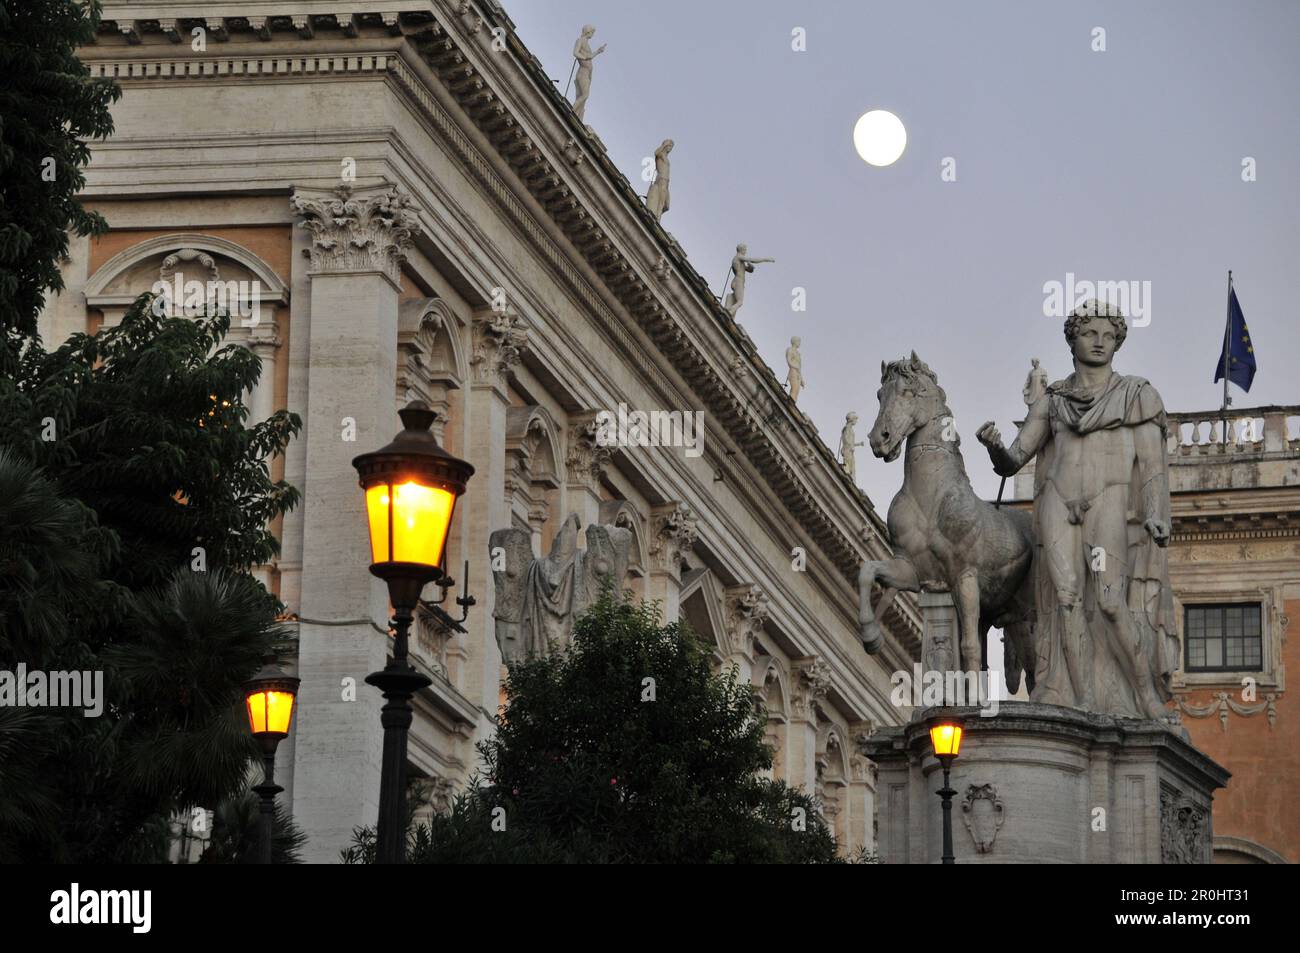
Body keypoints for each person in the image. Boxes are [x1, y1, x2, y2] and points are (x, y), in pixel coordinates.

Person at [976, 301, 1177, 719]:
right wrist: (994, 445)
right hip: (1057, 502)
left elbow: (1154, 469)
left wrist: (1157, 512)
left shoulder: (1136, 395)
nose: (1100, 342)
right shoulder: (1053, 401)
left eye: (1108, 335)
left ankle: (1145, 696)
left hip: (1109, 500)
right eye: (1091, 333)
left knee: (1108, 600)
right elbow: (1015, 459)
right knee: (1065, 600)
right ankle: (1081, 700)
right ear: (1073, 339)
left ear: (1118, 341)